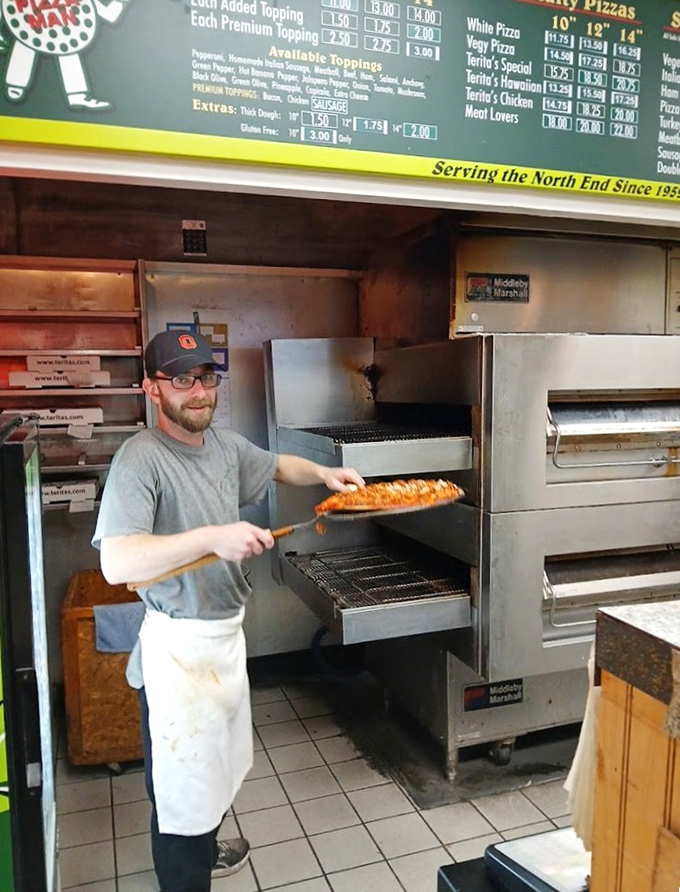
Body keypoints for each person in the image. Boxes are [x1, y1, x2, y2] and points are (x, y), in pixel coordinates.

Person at [92, 330, 364, 892]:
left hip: (222, 643)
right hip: (177, 655)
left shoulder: (222, 445)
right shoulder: (139, 459)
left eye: (206, 378)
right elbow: (118, 562)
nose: (198, 393)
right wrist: (212, 537)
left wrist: (324, 475)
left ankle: (207, 848)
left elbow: (276, 465)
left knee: (212, 773)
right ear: (151, 388)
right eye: (182, 380)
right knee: (181, 795)